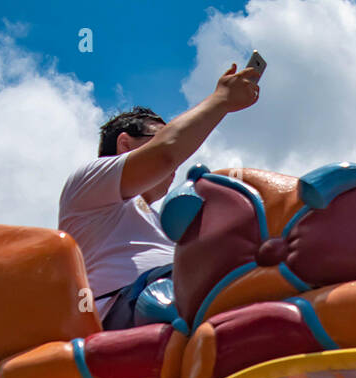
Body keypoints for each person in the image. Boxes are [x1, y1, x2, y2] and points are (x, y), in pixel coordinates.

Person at [58, 63, 261, 331]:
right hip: (128, 308)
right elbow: (166, 153)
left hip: (175, 292)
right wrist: (222, 99)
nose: (175, 167)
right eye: (158, 135)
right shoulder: (89, 183)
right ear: (125, 144)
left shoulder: (158, 221)